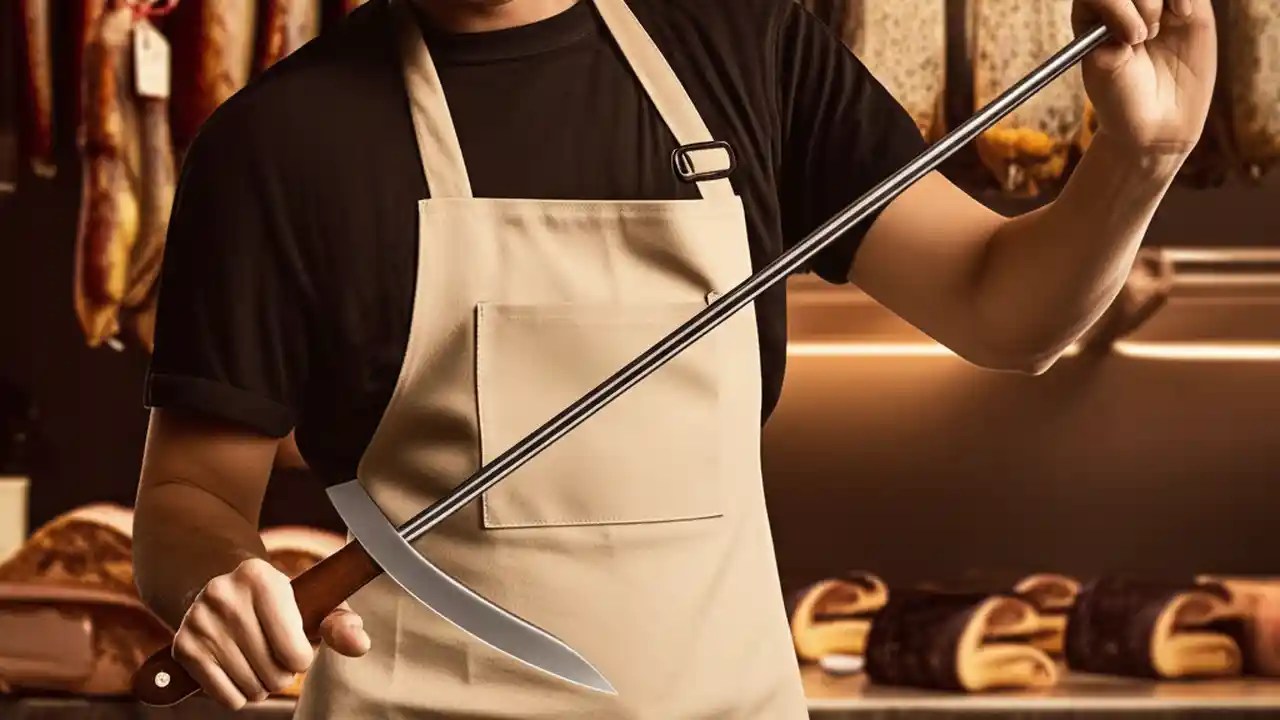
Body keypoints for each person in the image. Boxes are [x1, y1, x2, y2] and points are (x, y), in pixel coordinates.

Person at [131, 0, 1217, 716]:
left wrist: (1139, 156)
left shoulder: (744, 47)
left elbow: (1004, 312)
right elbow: (187, 495)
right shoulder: (278, 143)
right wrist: (214, 582)